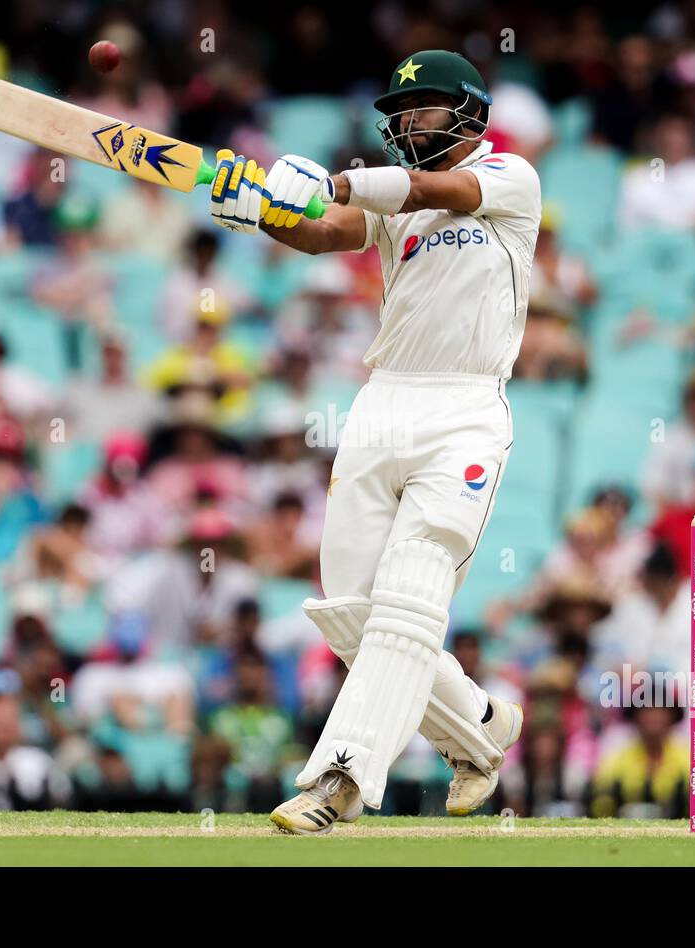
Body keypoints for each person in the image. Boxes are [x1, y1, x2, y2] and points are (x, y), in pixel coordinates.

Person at [205, 50, 538, 832]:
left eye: (424, 107)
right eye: (401, 111)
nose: (409, 123)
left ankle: (339, 782)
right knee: (355, 610)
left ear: (466, 111)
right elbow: (322, 235)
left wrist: (338, 178)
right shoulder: (394, 206)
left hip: (464, 409)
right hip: (382, 403)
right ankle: (480, 729)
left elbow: (432, 188)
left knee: (412, 599)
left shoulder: (508, 178)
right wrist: (259, 210)